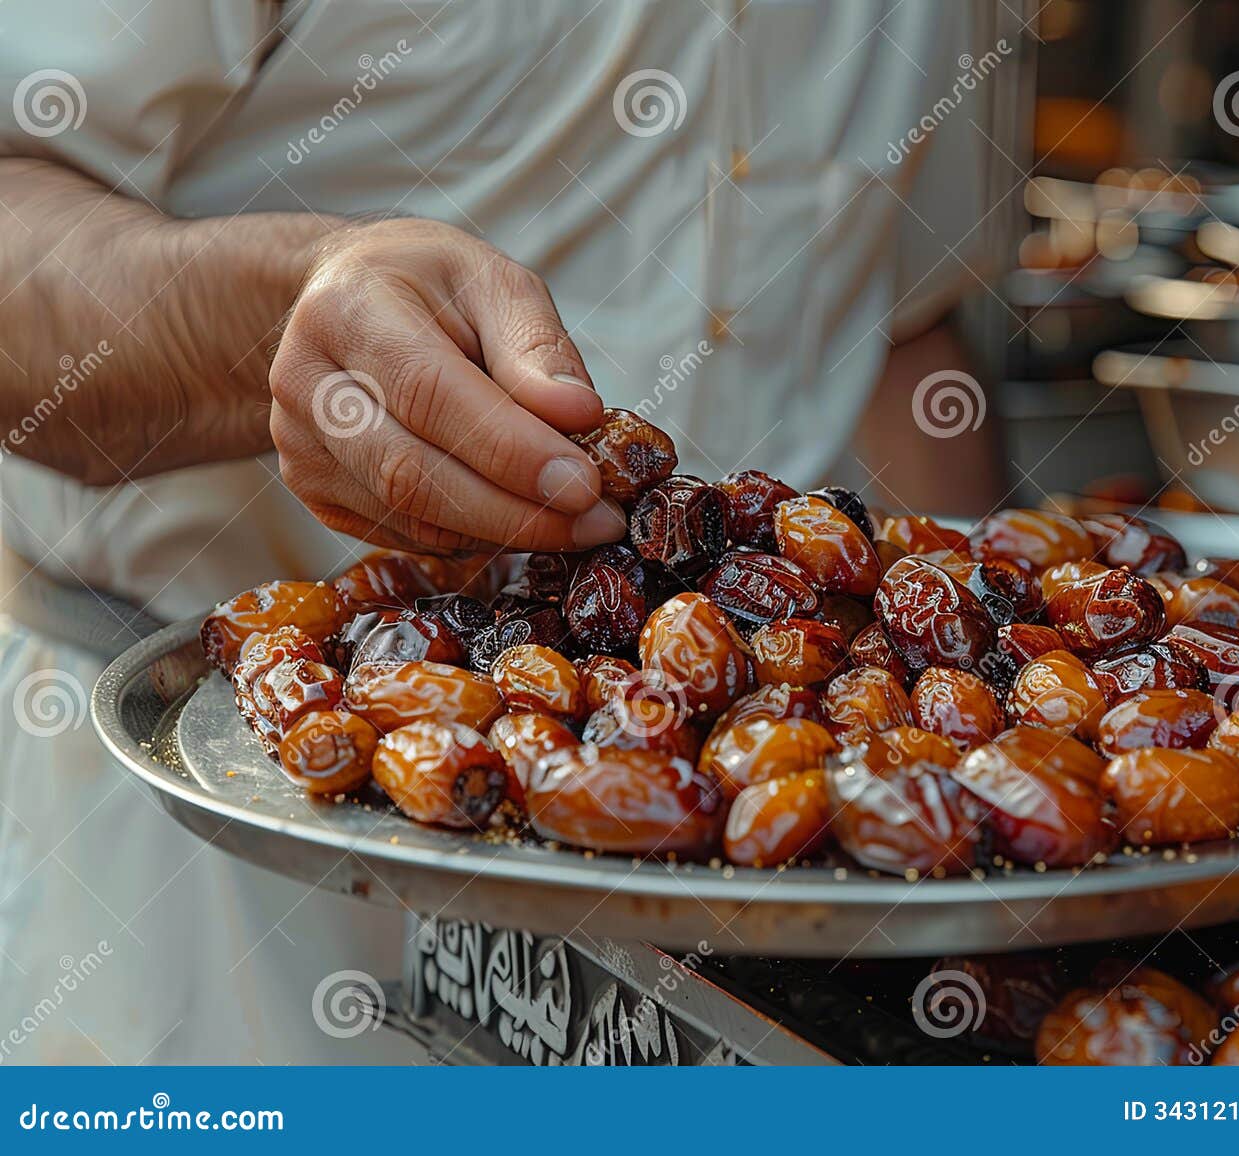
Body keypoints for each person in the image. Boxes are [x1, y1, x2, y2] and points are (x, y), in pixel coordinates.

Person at [0, 0, 1008, 1062]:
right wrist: (288, 315)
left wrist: (975, 701)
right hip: (229, 851)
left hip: (740, 867)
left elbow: (897, 323)